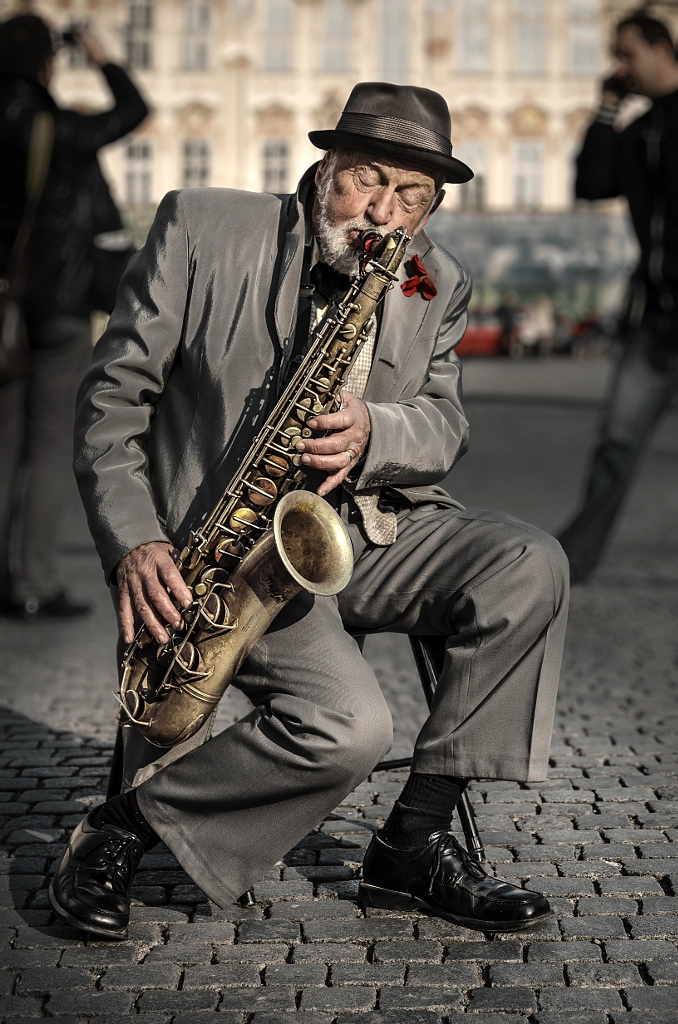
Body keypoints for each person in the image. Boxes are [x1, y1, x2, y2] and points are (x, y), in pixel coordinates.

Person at [51, 83, 569, 940]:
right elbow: (111, 399)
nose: (385, 210)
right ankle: (122, 829)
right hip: (240, 552)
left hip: (361, 529)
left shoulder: (436, 278)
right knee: (350, 729)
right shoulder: (201, 226)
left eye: (413, 196)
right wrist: (136, 539)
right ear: (325, 164)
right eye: (368, 179)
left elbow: (445, 423)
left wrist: (377, 430)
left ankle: (415, 842)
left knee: (531, 561)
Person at [0, 15, 147, 618]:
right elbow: (132, 110)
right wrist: (101, 55)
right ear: (46, 63)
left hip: (3, 308)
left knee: (3, 444)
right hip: (53, 305)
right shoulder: (51, 128)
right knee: (49, 441)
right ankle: (31, 582)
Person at [559, 12, 678, 583]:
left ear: (662, 48)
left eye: (628, 55)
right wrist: (607, 108)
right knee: (617, 440)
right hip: (657, 317)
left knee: (618, 440)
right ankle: (576, 557)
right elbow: (590, 184)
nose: (620, 68)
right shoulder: (641, 131)